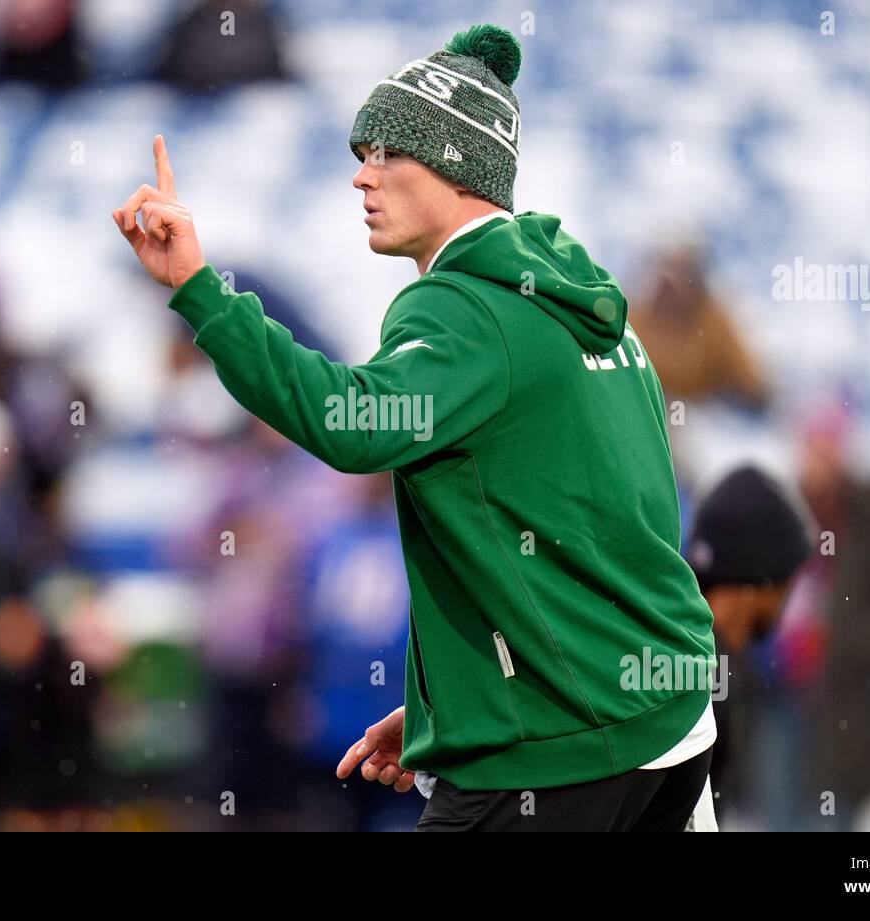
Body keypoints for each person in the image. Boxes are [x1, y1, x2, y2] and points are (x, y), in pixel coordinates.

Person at [113, 23, 716, 831]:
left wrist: (198, 289)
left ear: (456, 165)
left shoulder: (464, 304)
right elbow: (615, 527)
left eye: (388, 153)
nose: (361, 177)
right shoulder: (588, 310)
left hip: (561, 740)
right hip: (667, 719)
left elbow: (350, 424)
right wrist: (453, 705)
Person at [683, 464, 814, 825]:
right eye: (788, 577)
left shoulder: (691, 653)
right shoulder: (703, 675)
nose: (789, 595)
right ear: (762, 576)